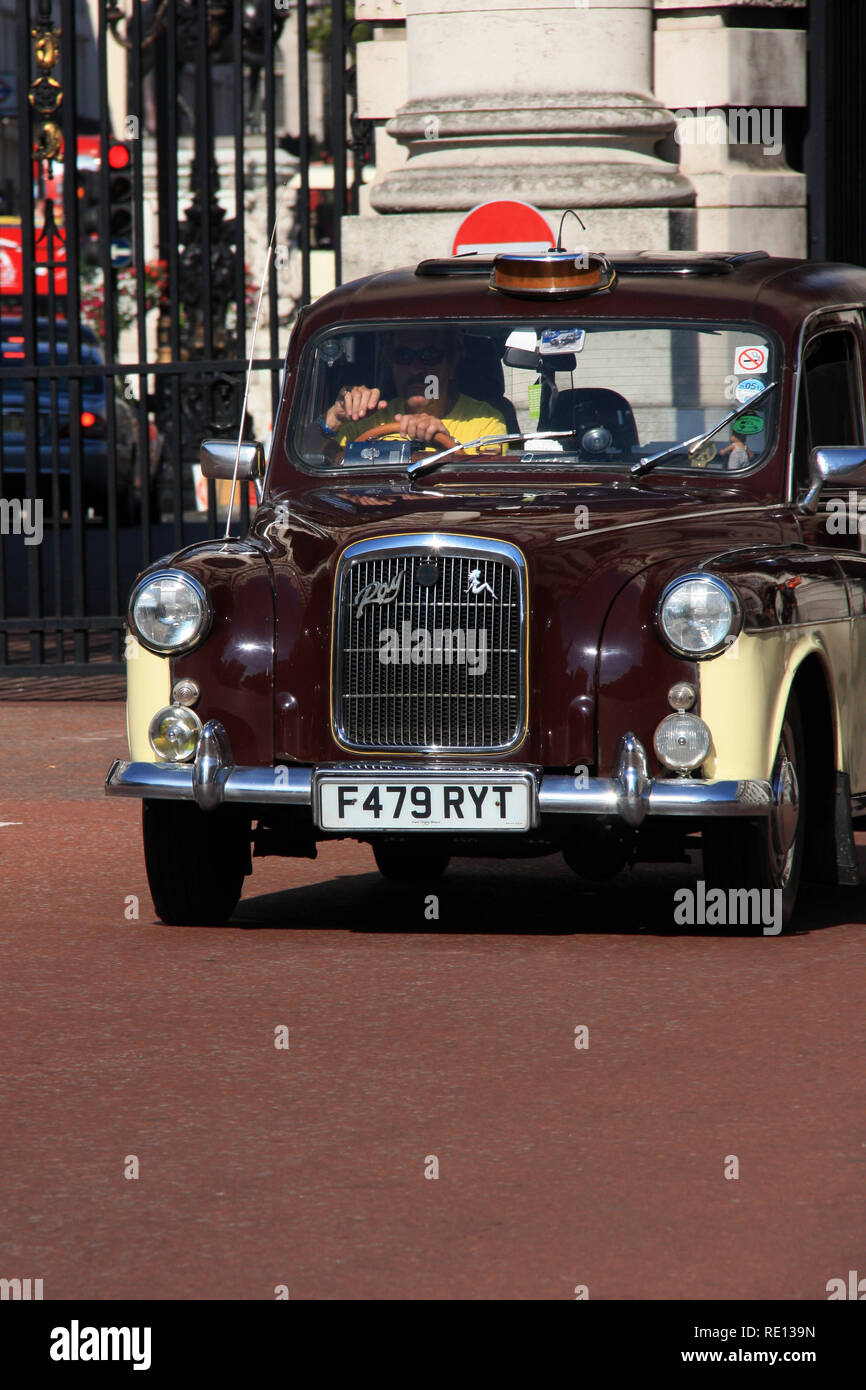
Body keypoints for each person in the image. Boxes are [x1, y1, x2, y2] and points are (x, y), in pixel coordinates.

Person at [318, 327, 507, 453]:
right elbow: (308, 465)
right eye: (404, 356)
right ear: (391, 365)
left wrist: (449, 444)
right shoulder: (366, 418)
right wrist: (333, 419)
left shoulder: (485, 423)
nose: (416, 369)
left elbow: (488, 493)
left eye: (429, 356)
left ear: (452, 363)